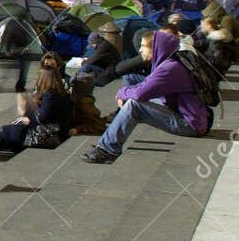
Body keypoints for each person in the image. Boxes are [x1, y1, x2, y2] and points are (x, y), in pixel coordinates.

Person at [82, 31, 213, 163]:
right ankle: (123, 118)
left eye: (143, 46)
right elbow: (146, 84)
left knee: (134, 105)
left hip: (190, 124)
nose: (140, 49)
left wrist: (122, 93)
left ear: (155, 48)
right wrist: (127, 93)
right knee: (131, 79)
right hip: (183, 111)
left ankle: (107, 150)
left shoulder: (170, 69)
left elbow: (140, 93)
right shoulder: (170, 62)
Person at [0, 58, 73, 161]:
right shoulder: (60, 93)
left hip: (45, 135)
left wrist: (27, 119)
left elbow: (42, 117)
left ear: (44, 79)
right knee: (6, 130)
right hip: (50, 131)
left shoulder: (50, 96)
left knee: (6, 132)